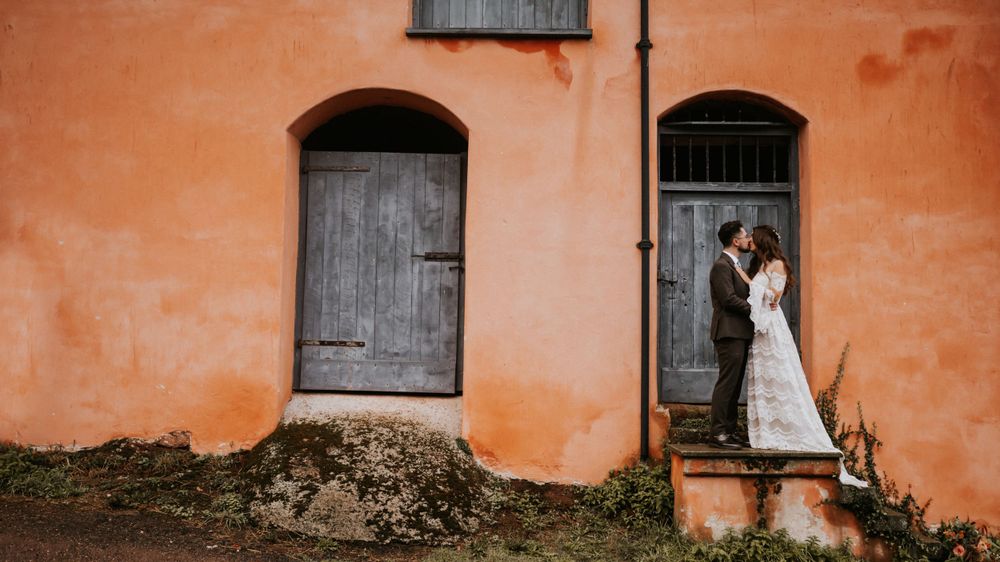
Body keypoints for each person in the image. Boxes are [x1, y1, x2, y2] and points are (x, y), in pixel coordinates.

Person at [733, 224, 868, 487]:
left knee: (778, 373)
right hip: (760, 328)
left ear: (762, 240)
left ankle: (786, 430)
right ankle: (766, 431)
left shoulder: (778, 265)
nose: (750, 240)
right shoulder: (761, 265)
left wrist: (747, 281)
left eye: (753, 237)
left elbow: (775, 297)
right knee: (764, 376)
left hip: (772, 327)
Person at [706, 220, 757, 450]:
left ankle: (730, 430)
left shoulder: (735, 265)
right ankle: (718, 433)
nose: (749, 240)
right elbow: (728, 299)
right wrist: (755, 309)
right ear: (736, 241)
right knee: (727, 383)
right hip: (728, 332)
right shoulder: (721, 266)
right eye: (746, 236)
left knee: (735, 385)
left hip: (741, 332)